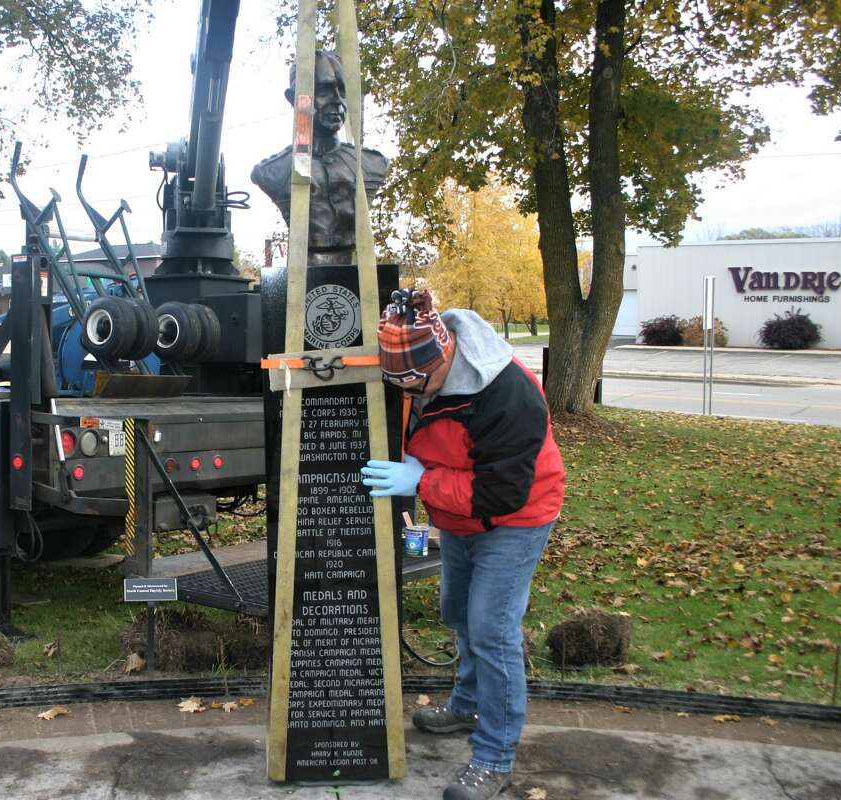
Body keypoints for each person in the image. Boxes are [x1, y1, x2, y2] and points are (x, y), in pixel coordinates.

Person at [361, 289, 565, 800]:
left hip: (515, 517)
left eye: (415, 382)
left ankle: (495, 756)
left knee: (491, 629)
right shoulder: (411, 370)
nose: (409, 392)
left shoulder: (507, 392)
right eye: (397, 383)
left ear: (444, 353)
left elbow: (501, 491)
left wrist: (421, 481)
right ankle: (468, 702)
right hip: (456, 516)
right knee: (457, 611)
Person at [250, 49, 388, 266]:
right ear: (294, 99)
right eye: (324, 91)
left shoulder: (373, 165)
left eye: (342, 91)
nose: (337, 101)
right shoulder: (273, 172)